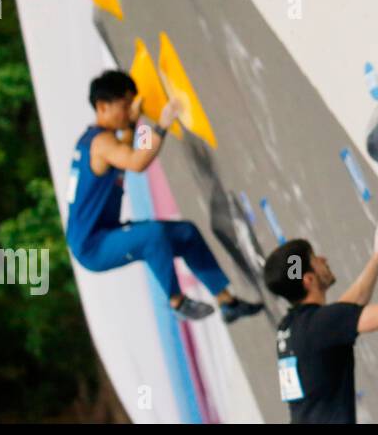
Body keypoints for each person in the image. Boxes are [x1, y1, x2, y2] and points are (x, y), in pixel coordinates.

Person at [64, 69, 263, 322]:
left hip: (102, 234)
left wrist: (137, 124)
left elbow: (131, 150)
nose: (128, 111)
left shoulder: (98, 139)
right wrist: (162, 125)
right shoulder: (101, 143)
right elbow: (138, 162)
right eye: (125, 106)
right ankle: (177, 301)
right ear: (103, 106)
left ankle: (227, 303)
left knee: (186, 234)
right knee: (152, 236)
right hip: (93, 246)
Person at [262, 214, 378, 424]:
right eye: (315, 259)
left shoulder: (292, 327)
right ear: (309, 280)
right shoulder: (318, 325)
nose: (323, 259)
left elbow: (345, 311)